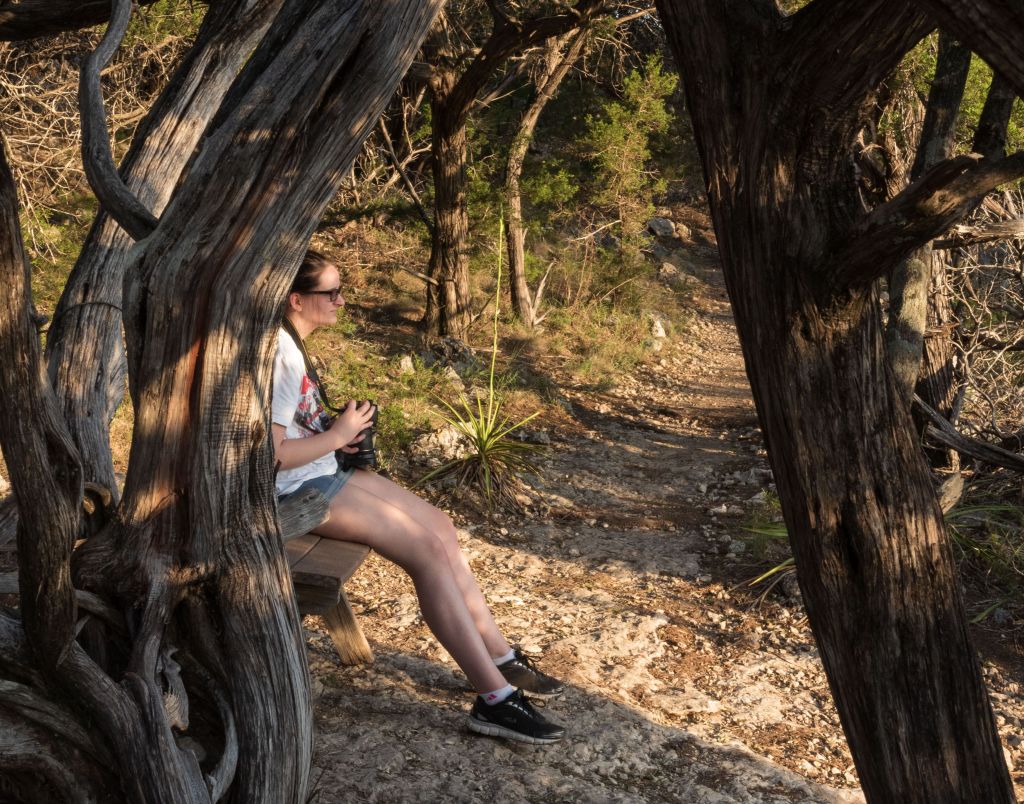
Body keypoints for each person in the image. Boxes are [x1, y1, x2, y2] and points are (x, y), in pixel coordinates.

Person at [271, 249, 565, 744]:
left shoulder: (293, 343)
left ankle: (499, 656)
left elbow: (295, 427)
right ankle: (495, 700)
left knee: (441, 528)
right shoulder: (280, 353)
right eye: (331, 292)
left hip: (324, 470)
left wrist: (338, 433)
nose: (341, 300)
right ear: (296, 299)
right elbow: (275, 456)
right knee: (427, 552)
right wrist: (339, 433)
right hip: (298, 490)